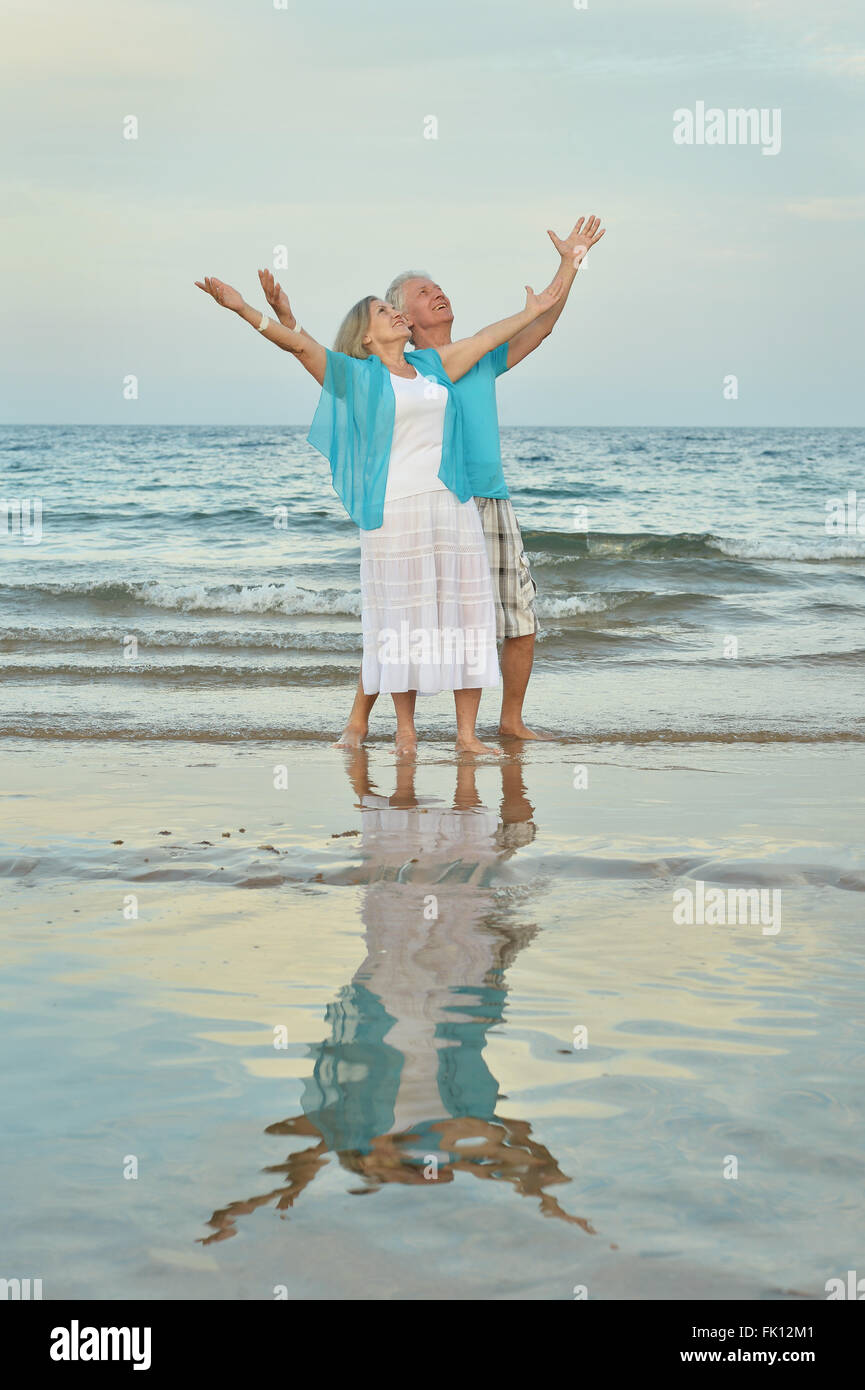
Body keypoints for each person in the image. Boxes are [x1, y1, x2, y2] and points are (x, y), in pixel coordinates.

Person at [267, 216, 604, 747]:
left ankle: (509, 720)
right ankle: (363, 721)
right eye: (424, 293)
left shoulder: (476, 356)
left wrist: (570, 265)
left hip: (485, 499)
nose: (438, 294)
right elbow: (331, 363)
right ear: (401, 312)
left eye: (439, 288)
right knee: (407, 617)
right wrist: (285, 320)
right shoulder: (402, 369)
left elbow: (539, 325)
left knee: (515, 616)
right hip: (423, 503)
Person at [195, 270, 563, 755]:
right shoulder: (359, 376)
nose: (395, 314)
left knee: (465, 615)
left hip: (451, 507)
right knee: (401, 622)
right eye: (384, 312)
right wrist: (246, 310)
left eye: (394, 309)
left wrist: (534, 310)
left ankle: (466, 735)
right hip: (395, 513)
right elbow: (300, 348)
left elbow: (488, 337)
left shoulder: (433, 366)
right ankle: (404, 730)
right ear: (366, 336)